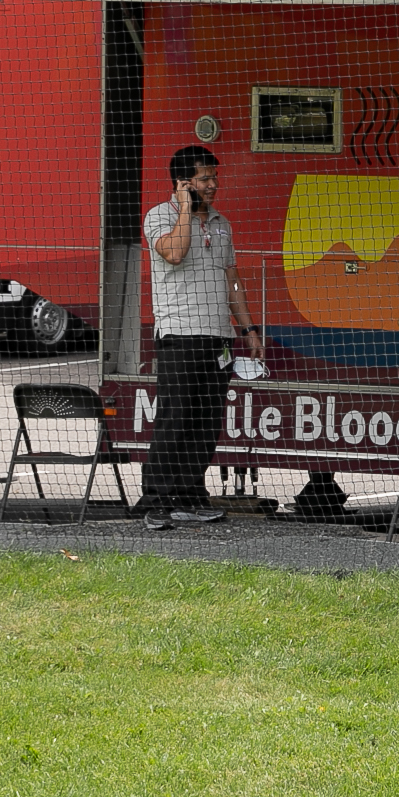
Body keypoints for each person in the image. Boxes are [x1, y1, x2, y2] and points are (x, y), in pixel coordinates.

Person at [140, 143, 264, 524]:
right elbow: (174, 253)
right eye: (204, 178)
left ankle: (190, 493)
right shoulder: (159, 216)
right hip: (179, 335)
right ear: (184, 183)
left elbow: (233, 281)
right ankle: (156, 499)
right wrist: (184, 209)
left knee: (207, 421)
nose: (213, 185)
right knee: (175, 418)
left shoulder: (222, 223)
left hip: (218, 338)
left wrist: (248, 329)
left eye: (214, 177)